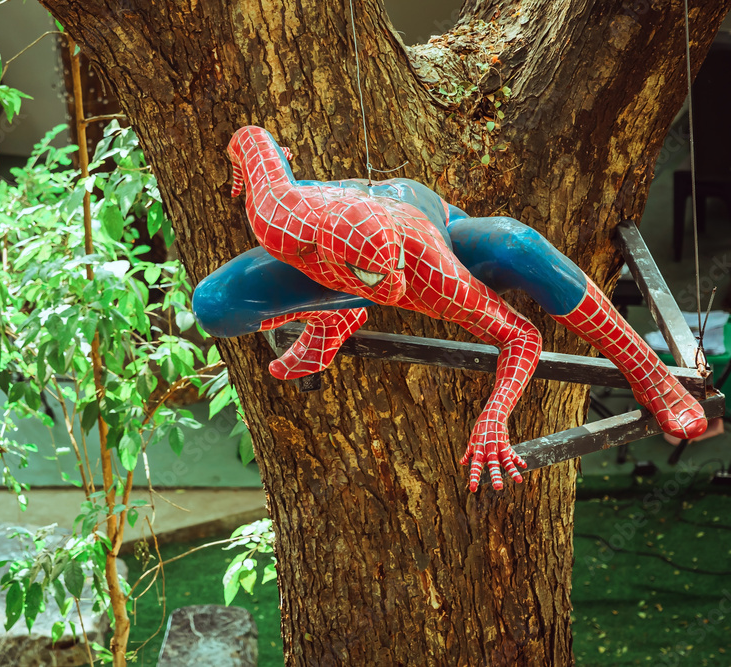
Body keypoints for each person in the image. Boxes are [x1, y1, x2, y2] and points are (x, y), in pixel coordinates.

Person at [192, 126, 707, 491]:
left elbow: (520, 335)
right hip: (331, 237)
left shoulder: (430, 272)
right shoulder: (280, 215)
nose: (393, 290)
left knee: (519, 244)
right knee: (213, 306)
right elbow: (250, 137)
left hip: (433, 225)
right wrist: (248, 163)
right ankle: (335, 312)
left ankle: (647, 370)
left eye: (392, 276)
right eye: (378, 282)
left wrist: (494, 417)